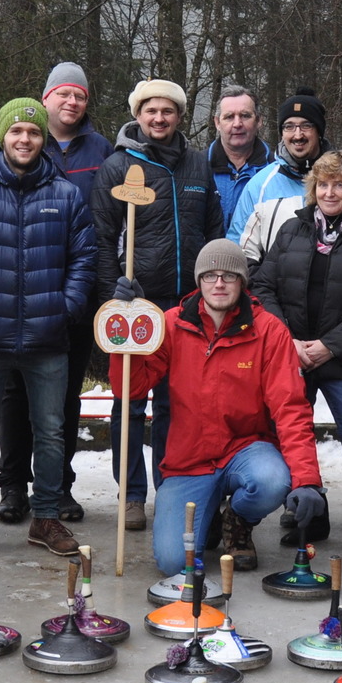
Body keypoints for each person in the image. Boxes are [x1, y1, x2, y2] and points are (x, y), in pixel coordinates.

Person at [110, 239, 323, 574]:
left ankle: (237, 521)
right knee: (173, 563)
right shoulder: (170, 324)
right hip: (189, 460)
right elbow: (130, 387)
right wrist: (126, 328)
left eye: (229, 275)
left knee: (272, 480)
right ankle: (206, 516)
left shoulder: (269, 331)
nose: (219, 283)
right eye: (210, 275)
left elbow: (291, 409)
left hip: (245, 449)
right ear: (199, 281)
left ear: (243, 281)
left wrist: (306, 480)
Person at [0, 97, 99, 558]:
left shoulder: (65, 195)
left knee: (50, 430)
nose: (25, 139)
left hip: (47, 336)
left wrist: (66, 309)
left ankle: (46, 516)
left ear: (42, 140)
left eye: (33, 132)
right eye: (16, 131)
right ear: (3, 137)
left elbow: (84, 259)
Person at [89, 77, 224, 531]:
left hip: (185, 306)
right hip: (136, 305)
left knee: (175, 403)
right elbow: (102, 238)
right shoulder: (118, 166)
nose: (159, 118)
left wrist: (207, 294)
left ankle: (170, 486)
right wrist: (113, 298)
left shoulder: (197, 165)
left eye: (167, 111)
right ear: (138, 115)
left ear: (180, 116)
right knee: (130, 402)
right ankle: (131, 494)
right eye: (151, 111)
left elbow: (213, 231)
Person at [247, 149, 342, 557]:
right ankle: (308, 514)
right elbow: (263, 287)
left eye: (339, 184)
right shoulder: (292, 230)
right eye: (323, 184)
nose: (330, 192)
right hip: (292, 354)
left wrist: (331, 345)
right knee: (289, 435)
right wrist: (287, 342)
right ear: (313, 189)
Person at [0, 61, 112, 525]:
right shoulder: (23, 141)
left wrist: (85, 292)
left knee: (63, 396)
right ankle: (11, 486)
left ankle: (58, 485)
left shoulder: (102, 150)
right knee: (15, 394)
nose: (72, 101)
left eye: (79, 95)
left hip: (74, 292)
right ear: (46, 99)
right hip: (19, 292)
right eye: (63, 93)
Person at [228, 87, 342, 261]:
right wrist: (262, 279)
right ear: (281, 133)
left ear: (319, 131)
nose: (298, 135)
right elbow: (239, 251)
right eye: (289, 127)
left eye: (306, 126)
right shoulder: (260, 185)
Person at [206, 84, 273, 224]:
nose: (237, 124)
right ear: (217, 123)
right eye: (229, 117)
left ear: (259, 121)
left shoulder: (275, 170)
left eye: (245, 116)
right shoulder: (197, 168)